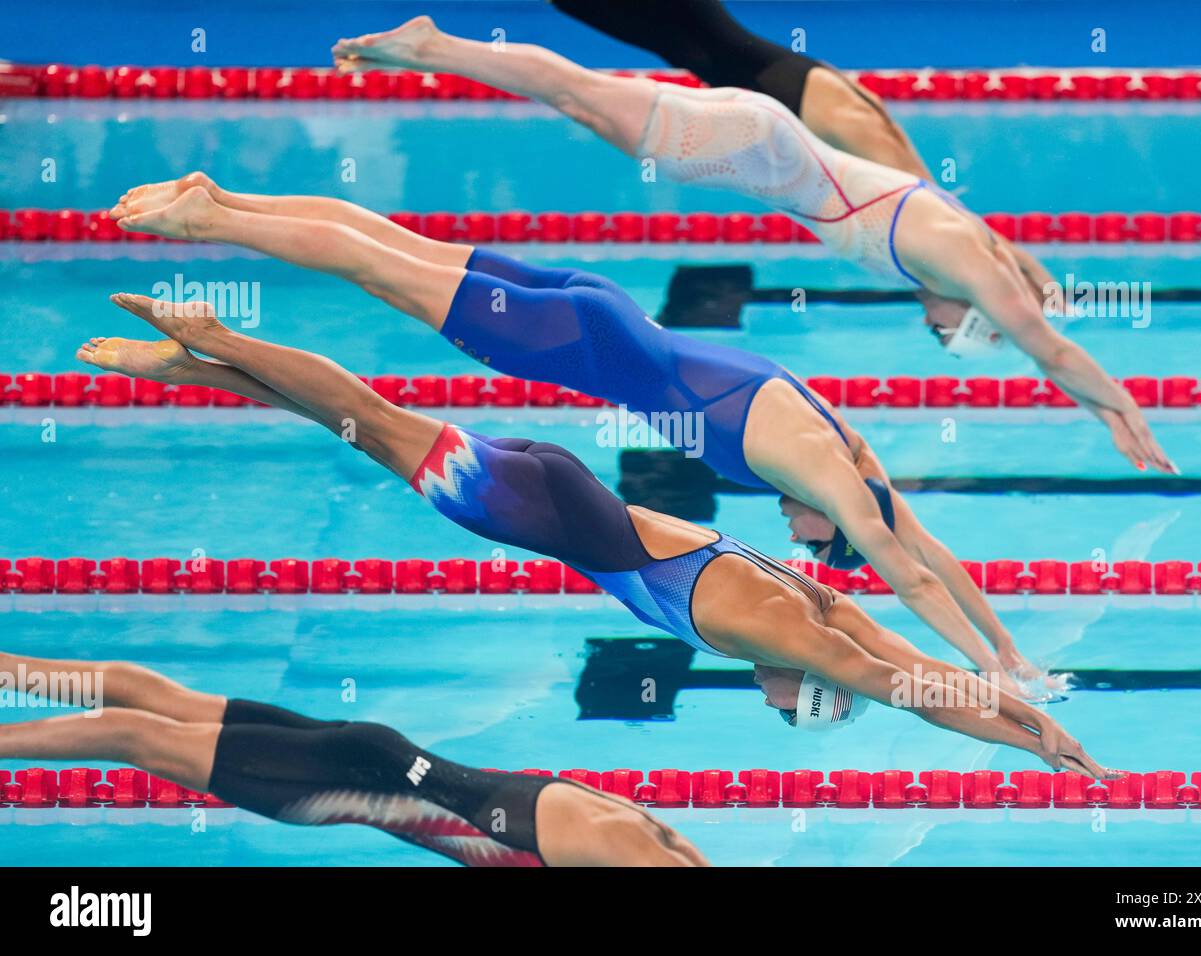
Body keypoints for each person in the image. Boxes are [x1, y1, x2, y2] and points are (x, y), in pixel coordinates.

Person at [71, 291, 1115, 779]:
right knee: (374, 422)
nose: (765, 696)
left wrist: (1031, 720)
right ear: (812, 684)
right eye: (787, 706)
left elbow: (904, 657)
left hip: (562, 480)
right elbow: (917, 692)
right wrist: (1040, 742)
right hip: (537, 511)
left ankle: (192, 368)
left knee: (371, 424)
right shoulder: (798, 638)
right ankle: (221, 341)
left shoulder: (812, 602)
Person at [109, 171, 1048, 691]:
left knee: (394, 248)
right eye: (817, 539)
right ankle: (208, 220)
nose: (798, 537)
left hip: (604, 313)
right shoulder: (834, 485)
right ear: (834, 523)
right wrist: (980, 673)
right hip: (571, 342)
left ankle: (227, 203)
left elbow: (924, 546)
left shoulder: (847, 450)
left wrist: (1006, 651)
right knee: (377, 269)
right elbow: (910, 568)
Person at [329, 16, 1178, 475]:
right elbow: (1048, 345)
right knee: (579, 94)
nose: (931, 324)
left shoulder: (953, 254)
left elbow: (1029, 312)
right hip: (753, 147)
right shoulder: (958, 261)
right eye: (943, 330)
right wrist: (1118, 409)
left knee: (585, 103)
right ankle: (431, 47)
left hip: (756, 149)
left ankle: (434, 50)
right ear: (974, 312)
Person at [0, 650, 707, 866]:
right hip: (330, 782)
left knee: (155, 699)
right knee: (130, 733)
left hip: (367, 750)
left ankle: (9, 669)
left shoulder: (661, 839)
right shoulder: (635, 856)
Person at [546, 0, 1057, 291]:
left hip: (767, 77)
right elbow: (957, 222)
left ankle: (1029, 275)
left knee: (932, 199)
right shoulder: (867, 134)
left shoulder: (865, 130)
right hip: (775, 79)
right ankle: (1028, 275)